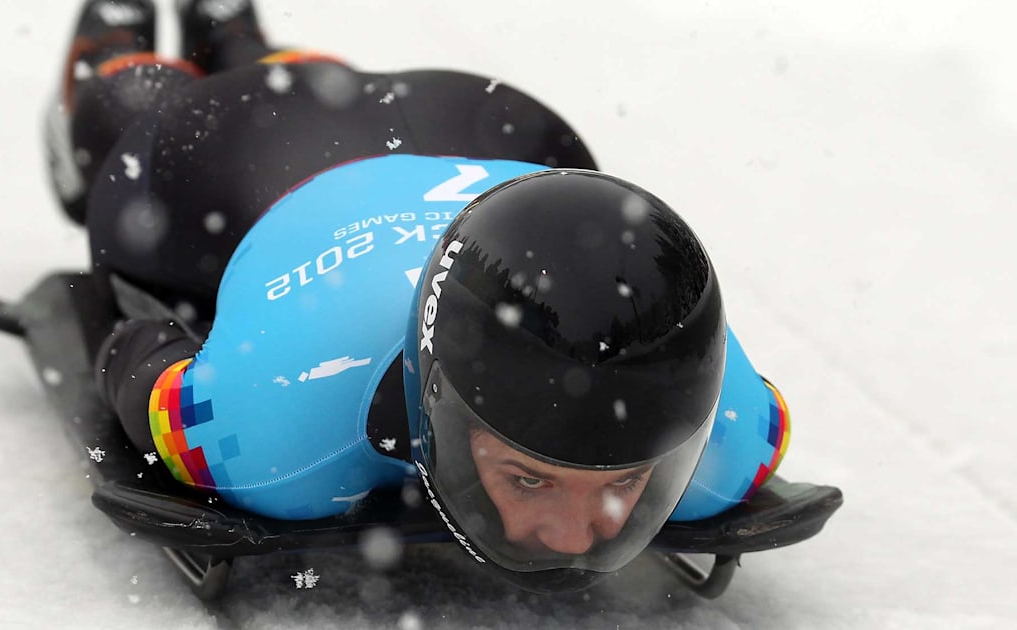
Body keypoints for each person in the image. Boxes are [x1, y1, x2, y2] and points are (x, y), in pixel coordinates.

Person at [48, 0, 791, 592]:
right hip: (236, 149)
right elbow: (129, 344)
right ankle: (132, 44)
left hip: (492, 135)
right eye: (529, 477)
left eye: (627, 480)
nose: (573, 538)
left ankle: (236, 34)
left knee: (295, 99)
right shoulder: (269, 428)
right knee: (128, 121)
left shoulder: (731, 433)